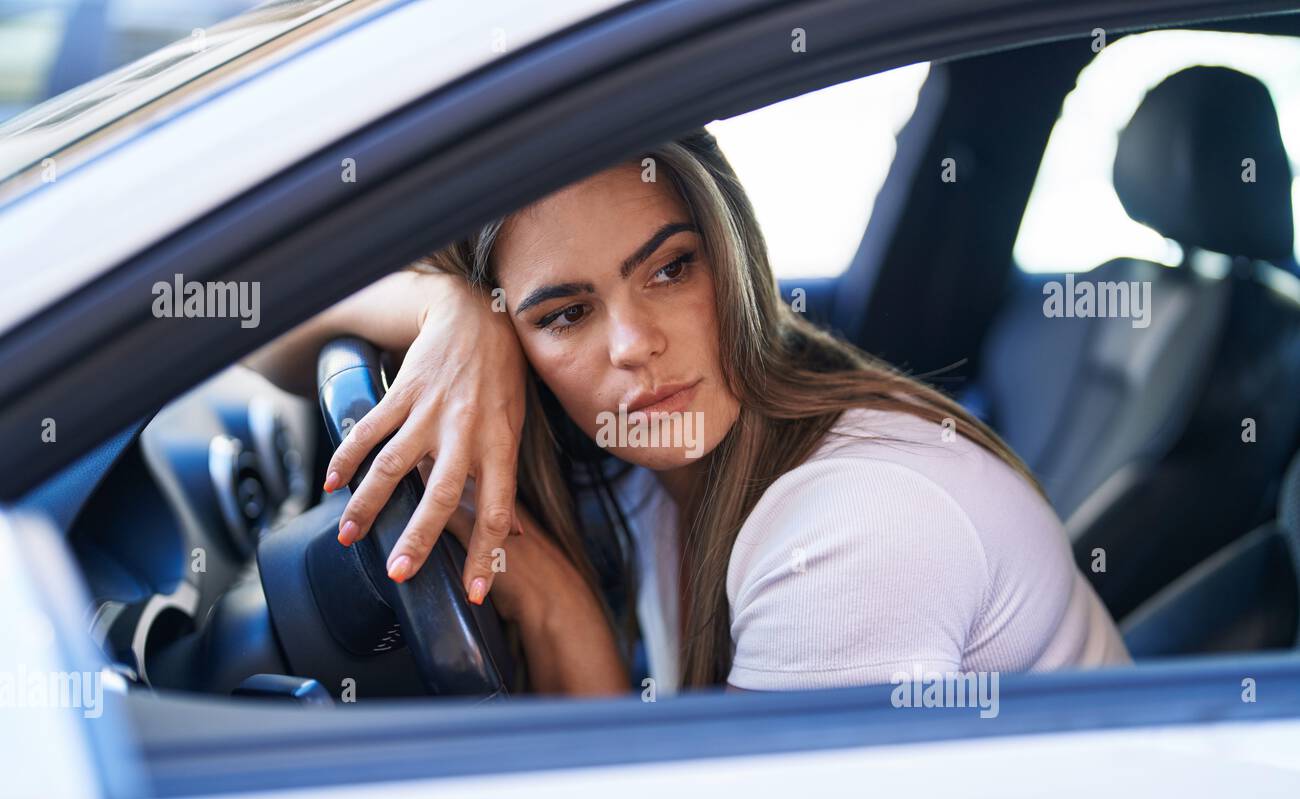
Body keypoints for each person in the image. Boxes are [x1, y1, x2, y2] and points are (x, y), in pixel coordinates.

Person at [246, 128, 1131, 696]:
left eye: (670, 268)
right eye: (566, 314)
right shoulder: (658, 457)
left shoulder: (853, 528)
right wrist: (445, 312)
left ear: (734, 258)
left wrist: (562, 617)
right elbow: (254, 320)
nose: (634, 343)